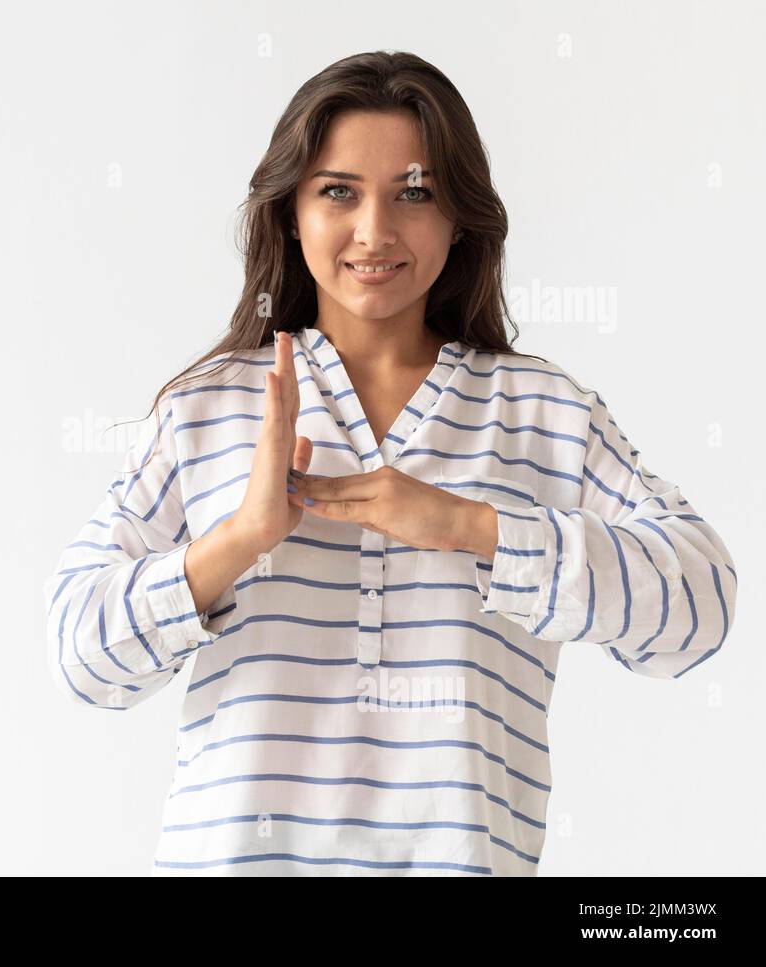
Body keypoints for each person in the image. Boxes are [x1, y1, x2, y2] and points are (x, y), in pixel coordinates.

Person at [42, 51, 737, 876]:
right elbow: (79, 656)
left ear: (459, 217)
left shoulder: (546, 411)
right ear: (291, 211)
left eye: (414, 193)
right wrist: (239, 539)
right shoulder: (209, 407)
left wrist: (472, 527)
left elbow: (701, 608)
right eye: (339, 191)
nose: (375, 230)